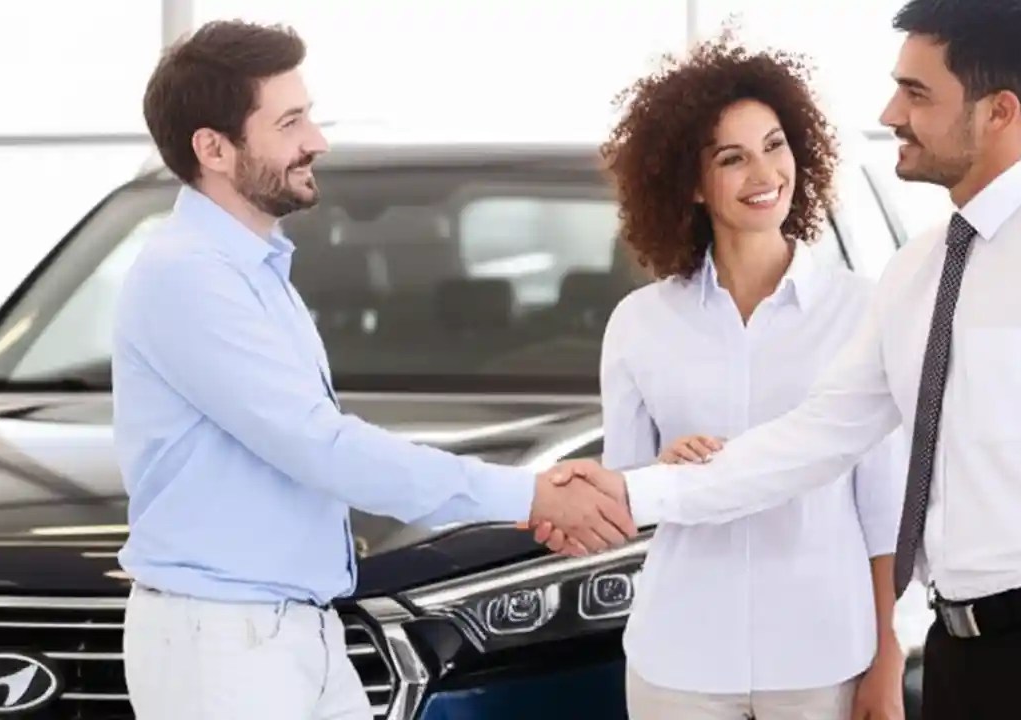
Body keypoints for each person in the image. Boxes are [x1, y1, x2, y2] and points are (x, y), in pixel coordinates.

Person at [540, 1, 1021, 718]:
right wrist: (633, 493)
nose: (890, 112)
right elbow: (810, 439)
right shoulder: (917, 271)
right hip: (958, 654)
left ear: (999, 111)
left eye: (917, 93)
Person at [112, 20, 632, 719]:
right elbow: (322, 448)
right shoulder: (188, 276)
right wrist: (530, 498)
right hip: (223, 645)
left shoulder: (255, 269)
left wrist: (521, 504)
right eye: (290, 120)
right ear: (214, 149)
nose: (316, 140)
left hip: (297, 629)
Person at [589, 34, 906, 720]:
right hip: (680, 661)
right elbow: (620, 505)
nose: (765, 173)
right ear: (693, 185)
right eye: (732, 158)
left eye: (774, 145)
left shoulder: (863, 311)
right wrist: (660, 469)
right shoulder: (641, 323)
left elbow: (883, 512)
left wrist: (888, 659)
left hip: (825, 658)